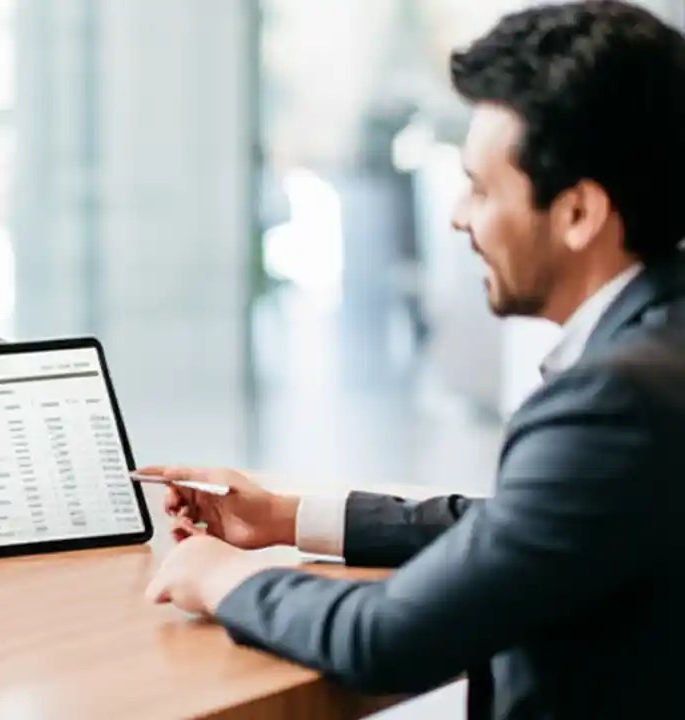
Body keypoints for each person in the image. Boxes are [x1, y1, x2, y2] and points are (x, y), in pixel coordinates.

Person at [142, 2, 685, 719]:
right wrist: (285, 516)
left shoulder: (619, 401)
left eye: (482, 189)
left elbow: (387, 637)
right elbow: (519, 528)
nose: (459, 216)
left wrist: (224, 580)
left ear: (578, 213)